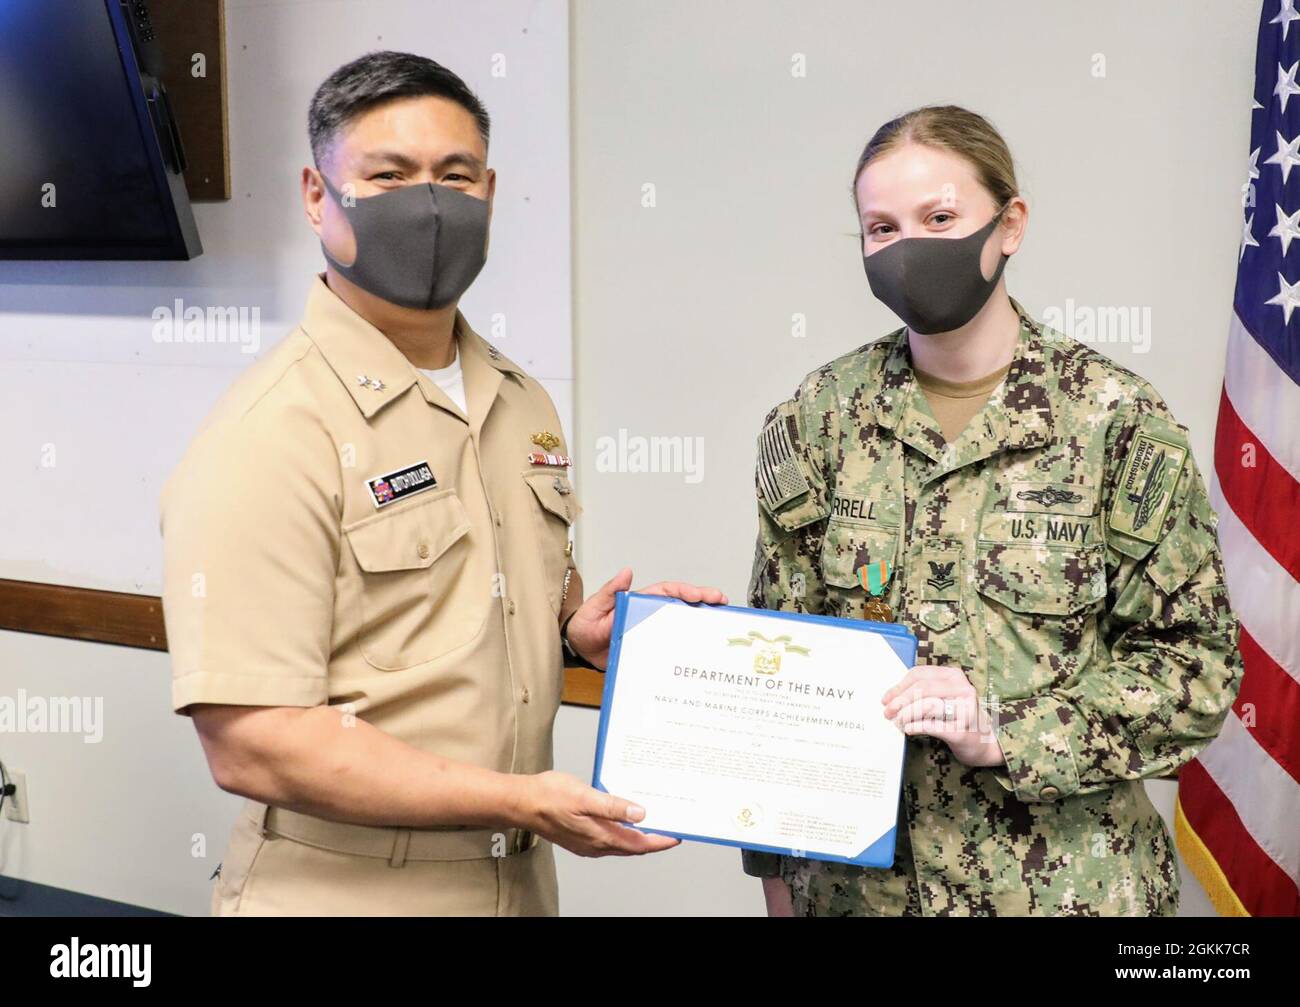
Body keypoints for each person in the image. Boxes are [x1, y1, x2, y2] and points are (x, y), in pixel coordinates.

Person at [160, 50, 725, 917]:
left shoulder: (520, 398)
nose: (427, 203)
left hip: (515, 888)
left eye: (454, 176)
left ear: (490, 192)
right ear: (319, 195)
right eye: (388, 176)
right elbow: (253, 744)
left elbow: (488, 604)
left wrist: (578, 634)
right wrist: (518, 799)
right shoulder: (270, 432)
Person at [739, 105, 1241, 916]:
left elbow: (1197, 671)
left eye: (939, 218)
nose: (907, 248)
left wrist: (1005, 728)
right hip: (862, 897)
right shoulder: (819, 418)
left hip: (1068, 893)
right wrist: (774, 876)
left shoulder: (1116, 422)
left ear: (1010, 224)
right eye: (881, 228)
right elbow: (783, 665)